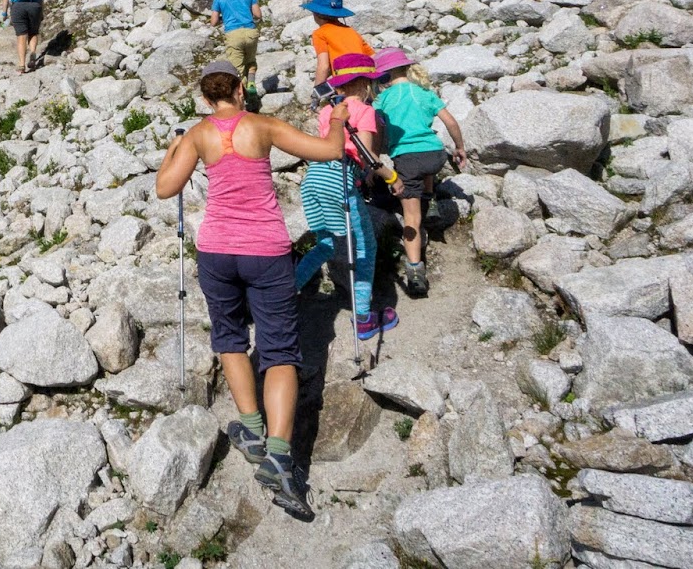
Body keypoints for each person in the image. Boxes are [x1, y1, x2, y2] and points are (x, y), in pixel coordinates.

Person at [155, 60, 351, 520]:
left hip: (218, 252)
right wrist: (339, 122)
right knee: (280, 349)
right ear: (241, 90)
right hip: (266, 250)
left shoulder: (199, 135)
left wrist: (173, 150)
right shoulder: (263, 126)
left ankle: (250, 429)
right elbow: (328, 151)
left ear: (206, 99)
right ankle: (280, 457)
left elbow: (166, 188)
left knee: (229, 338)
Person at [293, 53, 400, 340]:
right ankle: (363, 317)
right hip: (339, 179)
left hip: (314, 178)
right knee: (366, 248)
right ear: (366, 83)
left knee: (325, 244)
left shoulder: (328, 111)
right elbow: (366, 156)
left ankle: (287, 295)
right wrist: (388, 176)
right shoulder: (364, 111)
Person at [372, 47, 466, 298]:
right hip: (435, 156)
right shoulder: (424, 92)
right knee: (426, 164)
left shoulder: (383, 99)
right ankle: (430, 198)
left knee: (412, 219)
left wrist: (376, 158)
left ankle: (415, 272)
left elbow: (378, 133)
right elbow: (451, 122)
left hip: (407, 159)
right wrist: (459, 147)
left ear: (386, 76)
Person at [301, 0, 372, 85]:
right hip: (365, 81)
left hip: (345, 83)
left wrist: (317, 91)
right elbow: (373, 57)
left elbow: (324, 66)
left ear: (315, 13)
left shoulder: (320, 33)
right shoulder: (352, 31)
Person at [208, 0, 262, 95]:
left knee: (237, 69)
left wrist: (224, 17)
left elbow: (213, 22)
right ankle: (252, 83)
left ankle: (243, 96)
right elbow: (258, 15)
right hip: (250, 32)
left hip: (233, 34)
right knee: (250, 61)